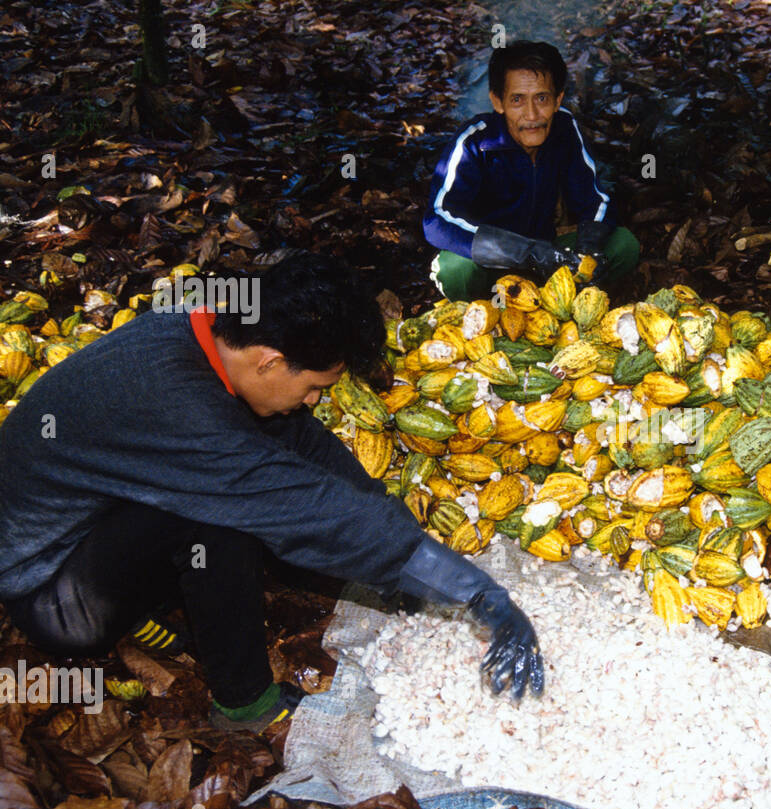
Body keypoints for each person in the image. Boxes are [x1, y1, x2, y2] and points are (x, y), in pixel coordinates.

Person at [0, 254, 544, 731]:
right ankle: (243, 704)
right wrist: (478, 593)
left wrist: (402, 540)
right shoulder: (180, 405)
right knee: (222, 519)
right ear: (269, 360)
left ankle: (139, 601)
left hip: (94, 529)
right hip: (52, 592)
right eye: (313, 388)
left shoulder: (207, 328)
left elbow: (303, 443)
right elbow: (301, 507)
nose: (312, 401)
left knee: (252, 455)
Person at [422, 40, 639, 301]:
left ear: (558, 99)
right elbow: (436, 219)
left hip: (548, 261)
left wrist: (588, 249)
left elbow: (595, 200)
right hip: (491, 266)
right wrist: (526, 251)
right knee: (455, 270)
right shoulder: (475, 142)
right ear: (497, 101)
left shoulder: (564, 128)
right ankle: (485, 314)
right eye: (517, 100)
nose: (532, 114)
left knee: (623, 245)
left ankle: (568, 304)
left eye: (542, 98)